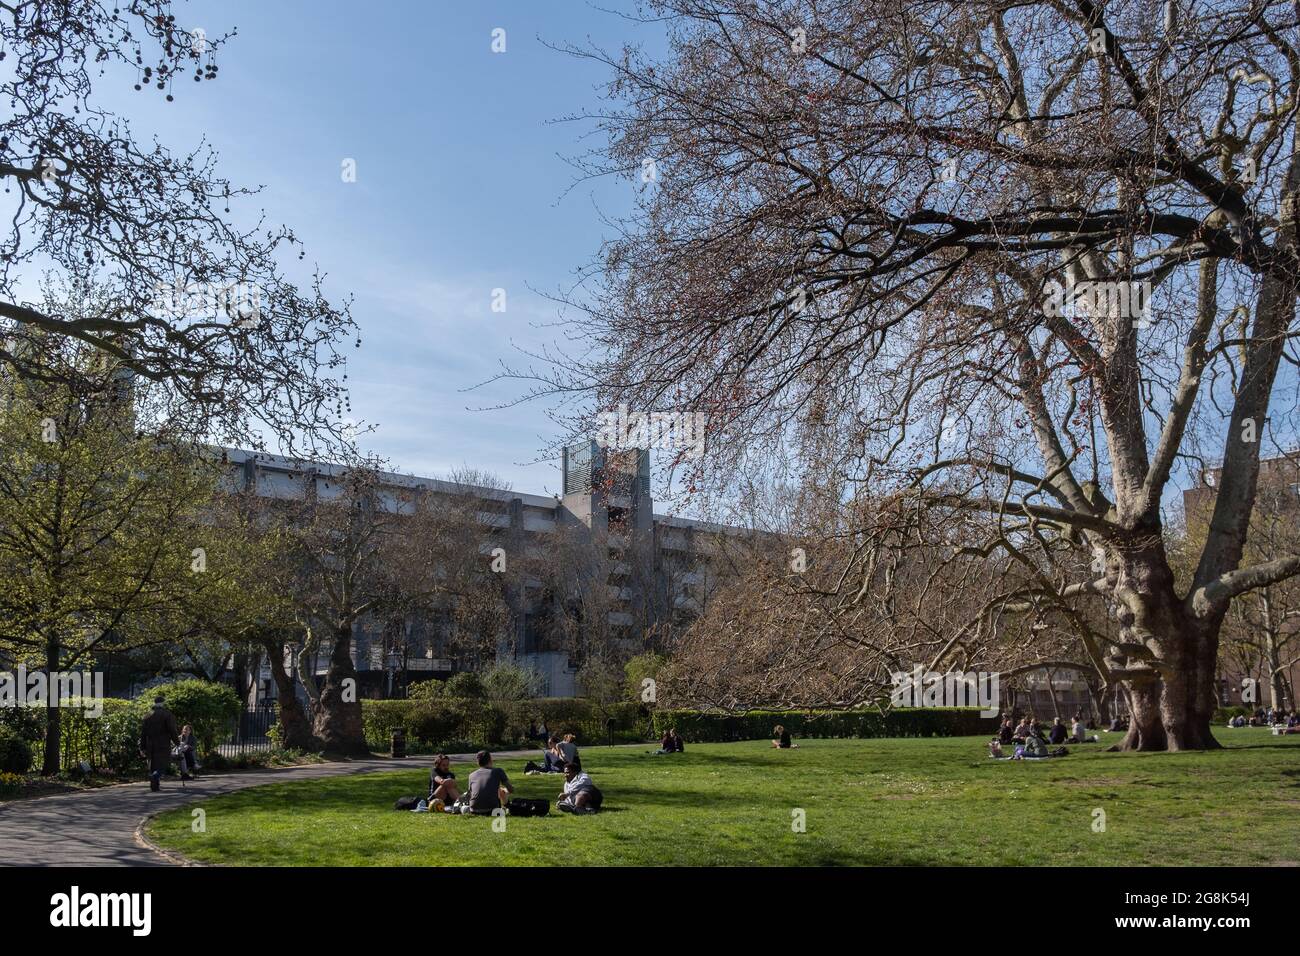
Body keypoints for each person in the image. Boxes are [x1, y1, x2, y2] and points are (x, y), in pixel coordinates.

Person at [139, 694, 179, 792]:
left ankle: (155, 786)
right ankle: (155, 776)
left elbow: (143, 732)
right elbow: (172, 730)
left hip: (150, 744)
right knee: (163, 764)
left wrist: (142, 746)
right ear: (163, 703)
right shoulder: (167, 714)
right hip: (163, 743)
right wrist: (177, 742)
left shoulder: (147, 715)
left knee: (153, 764)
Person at [465, 750, 512, 815]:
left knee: (497, 789)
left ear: (478, 762)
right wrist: (505, 790)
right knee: (502, 790)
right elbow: (510, 789)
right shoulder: (498, 771)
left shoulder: (471, 775)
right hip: (492, 810)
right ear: (490, 760)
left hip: (474, 810)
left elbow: (470, 793)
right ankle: (508, 807)